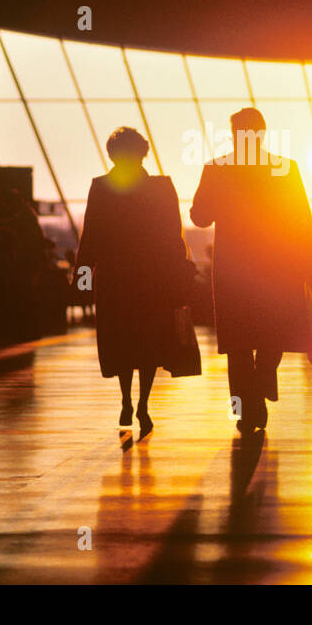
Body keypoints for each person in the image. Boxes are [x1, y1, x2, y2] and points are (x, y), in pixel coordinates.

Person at [191, 108, 312, 435]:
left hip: (233, 269)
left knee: (237, 342)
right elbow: (302, 220)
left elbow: (200, 217)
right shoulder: (284, 169)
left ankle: (246, 409)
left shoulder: (217, 169)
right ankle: (262, 382)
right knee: (271, 332)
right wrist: (310, 267)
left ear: (234, 133)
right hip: (275, 268)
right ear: (262, 133)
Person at [75, 127, 191, 437]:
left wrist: (83, 273)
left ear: (112, 154)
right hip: (152, 277)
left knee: (121, 339)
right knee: (150, 340)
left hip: (115, 277)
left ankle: (125, 399)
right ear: (143, 152)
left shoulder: (100, 187)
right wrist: (179, 269)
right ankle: (142, 403)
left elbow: (91, 235)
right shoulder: (162, 187)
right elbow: (173, 233)